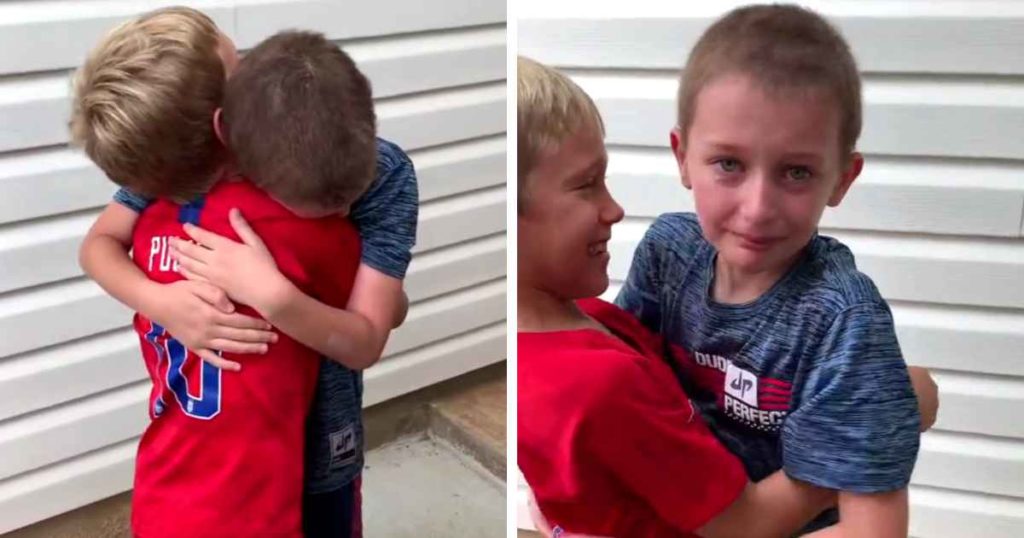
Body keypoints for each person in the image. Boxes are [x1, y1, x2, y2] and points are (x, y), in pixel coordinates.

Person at [72, 8, 415, 536]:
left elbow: (372, 325)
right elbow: (97, 244)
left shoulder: (359, 163)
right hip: (225, 459)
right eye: (238, 65)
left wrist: (274, 295)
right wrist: (165, 304)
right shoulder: (175, 170)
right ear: (222, 125)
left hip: (317, 435)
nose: (258, 67)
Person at [616, 5, 937, 535]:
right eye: (729, 164)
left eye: (796, 172)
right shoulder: (667, 254)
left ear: (841, 178)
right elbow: (625, 386)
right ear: (682, 156)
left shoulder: (843, 318)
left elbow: (873, 530)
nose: (758, 207)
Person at [517, 54, 841, 538]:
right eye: (586, 185)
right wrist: (865, 435)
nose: (615, 208)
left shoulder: (586, 316)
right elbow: (746, 523)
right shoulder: (598, 383)